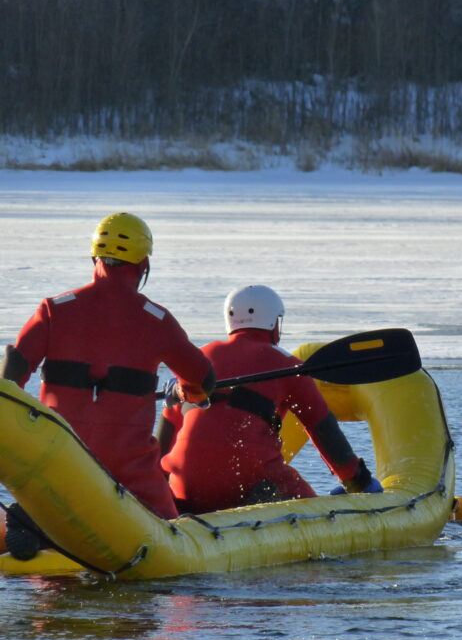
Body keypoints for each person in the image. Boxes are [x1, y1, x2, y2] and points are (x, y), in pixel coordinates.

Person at [0, 212, 215, 559]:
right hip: (130, 476)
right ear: (143, 264)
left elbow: (9, 384)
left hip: (58, 465)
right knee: (178, 553)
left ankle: (36, 519)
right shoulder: (156, 320)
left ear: (94, 257)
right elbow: (205, 379)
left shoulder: (53, 311)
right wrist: (189, 393)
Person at [157, 285, 382, 513]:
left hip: (184, 490)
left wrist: (153, 491)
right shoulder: (288, 366)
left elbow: (165, 436)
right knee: (315, 510)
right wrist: (356, 480)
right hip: (249, 487)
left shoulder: (200, 357)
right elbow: (323, 429)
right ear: (274, 323)